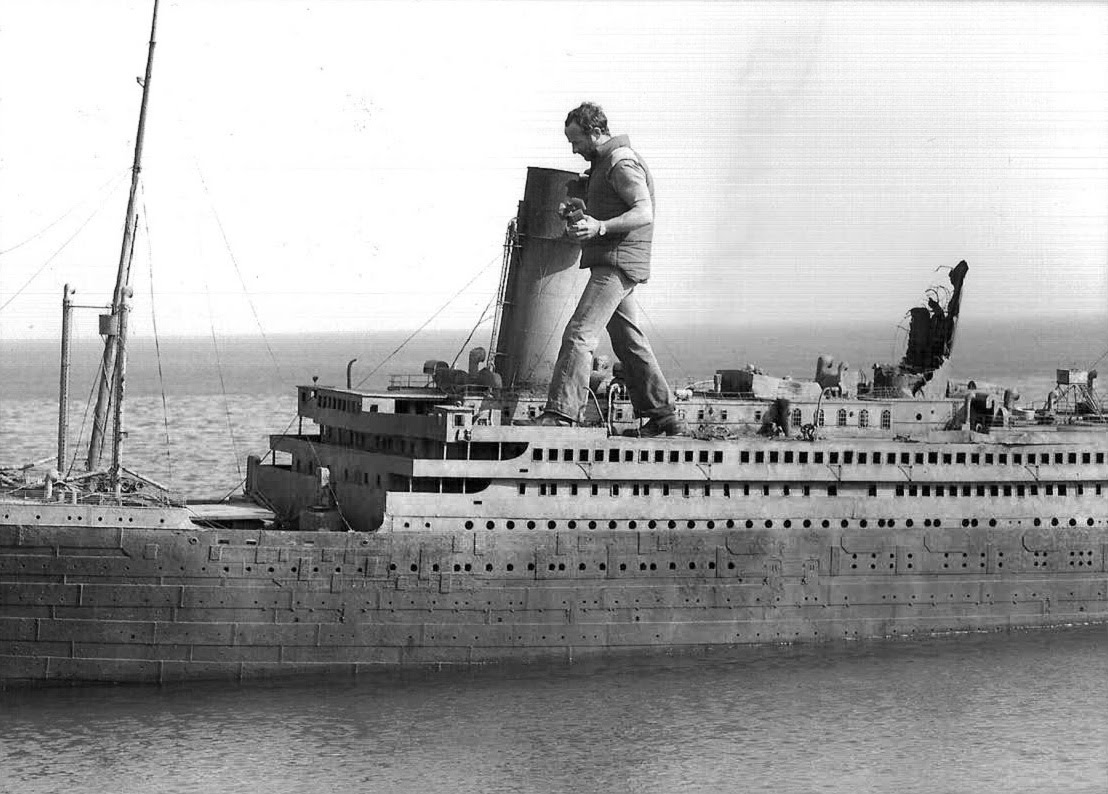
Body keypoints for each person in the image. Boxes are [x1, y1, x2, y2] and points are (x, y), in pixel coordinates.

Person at [533, 102, 682, 437]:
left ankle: (561, 413)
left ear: (596, 132)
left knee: (579, 333)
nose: (574, 149)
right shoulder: (605, 164)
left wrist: (599, 226)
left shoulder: (620, 161)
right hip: (617, 259)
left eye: (576, 141)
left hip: (617, 263)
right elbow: (616, 205)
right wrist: (582, 209)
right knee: (628, 339)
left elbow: (643, 211)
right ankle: (662, 415)